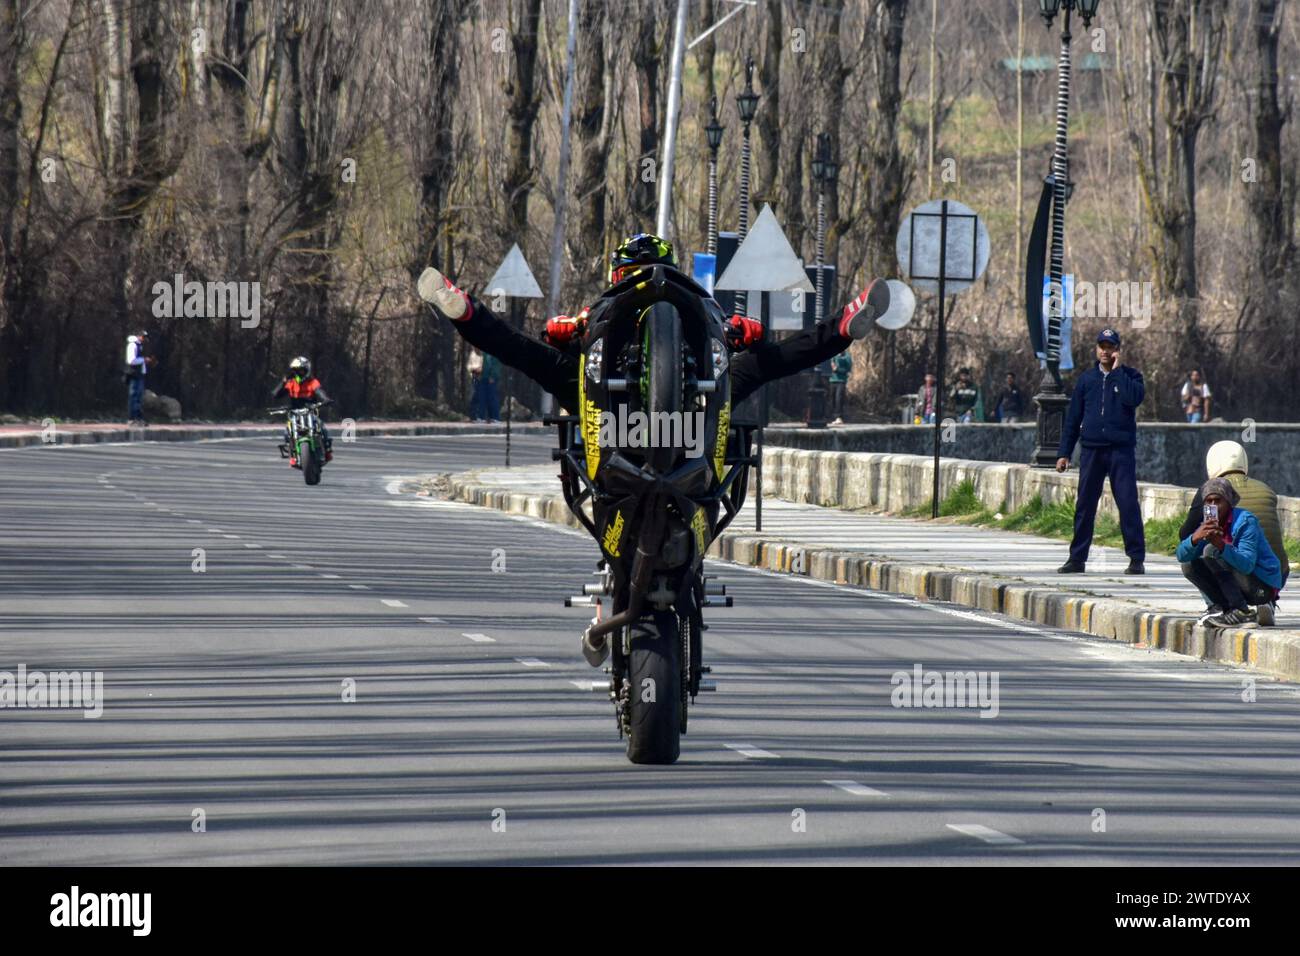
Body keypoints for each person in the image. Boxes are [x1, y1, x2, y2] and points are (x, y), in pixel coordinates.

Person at [415, 232, 890, 421]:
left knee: (764, 361)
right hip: (608, 399)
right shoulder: (601, 312)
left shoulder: (694, 309)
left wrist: (745, 332)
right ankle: (467, 310)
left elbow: (741, 334)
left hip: (689, 397)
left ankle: (844, 326)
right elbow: (553, 333)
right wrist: (566, 330)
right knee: (528, 352)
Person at [1056, 327, 1146, 575]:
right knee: (1085, 504)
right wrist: (1064, 452)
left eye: (1111, 347)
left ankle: (1136, 558)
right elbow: (1073, 419)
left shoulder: (1132, 377)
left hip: (1121, 451)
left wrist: (1117, 373)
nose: (1105, 351)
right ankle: (1077, 559)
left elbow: (1133, 399)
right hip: (1092, 451)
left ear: (1118, 350)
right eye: (1102, 346)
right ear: (1097, 349)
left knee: (1128, 503)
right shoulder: (1086, 380)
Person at [1178, 440, 1288, 624]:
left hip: (1262, 578)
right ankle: (1223, 608)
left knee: (1212, 553)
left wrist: (1220, 545)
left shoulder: (1245, 520)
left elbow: (1246, 564)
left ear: (1229, 502)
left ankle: (1242, 609)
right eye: (1208, 502)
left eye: (1218, 501)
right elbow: (1182, 555)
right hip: (1272, 570)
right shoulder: (1266, 489)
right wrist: (1195, 539)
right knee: (1192, 561)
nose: (1212, 506)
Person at [271, 356, 334, 463]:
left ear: (307, 370)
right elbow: (275, 395)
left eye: (300, 370)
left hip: (310, 412)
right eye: (295, 371)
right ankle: (293, 454)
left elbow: (320, 392)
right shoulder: (290, 383)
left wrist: (325, 399)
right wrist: (283, 381)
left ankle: (327, 451)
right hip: (295, 413)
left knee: (321, 426)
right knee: (287, 432)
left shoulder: (312, 382)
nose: (298, 374)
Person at [123, 330, 152, 425]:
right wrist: (143, 359)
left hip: (139, 374)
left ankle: (138, 418)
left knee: (139, 397)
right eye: (143, 337)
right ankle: (132, 418)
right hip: (134, 374)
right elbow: (131, 360)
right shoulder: (133, 345)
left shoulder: (139, 345)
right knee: (134, 397)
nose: (144, 339)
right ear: (139, 336)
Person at [829, 350, 852, 425]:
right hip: (832, 380)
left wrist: (838, 369)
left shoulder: (847, 357)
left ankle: (839, 417)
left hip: (841, 380)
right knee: (832, 398)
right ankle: (833, 416)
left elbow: (848, 369)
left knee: (838, 398)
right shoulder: (834, 356)